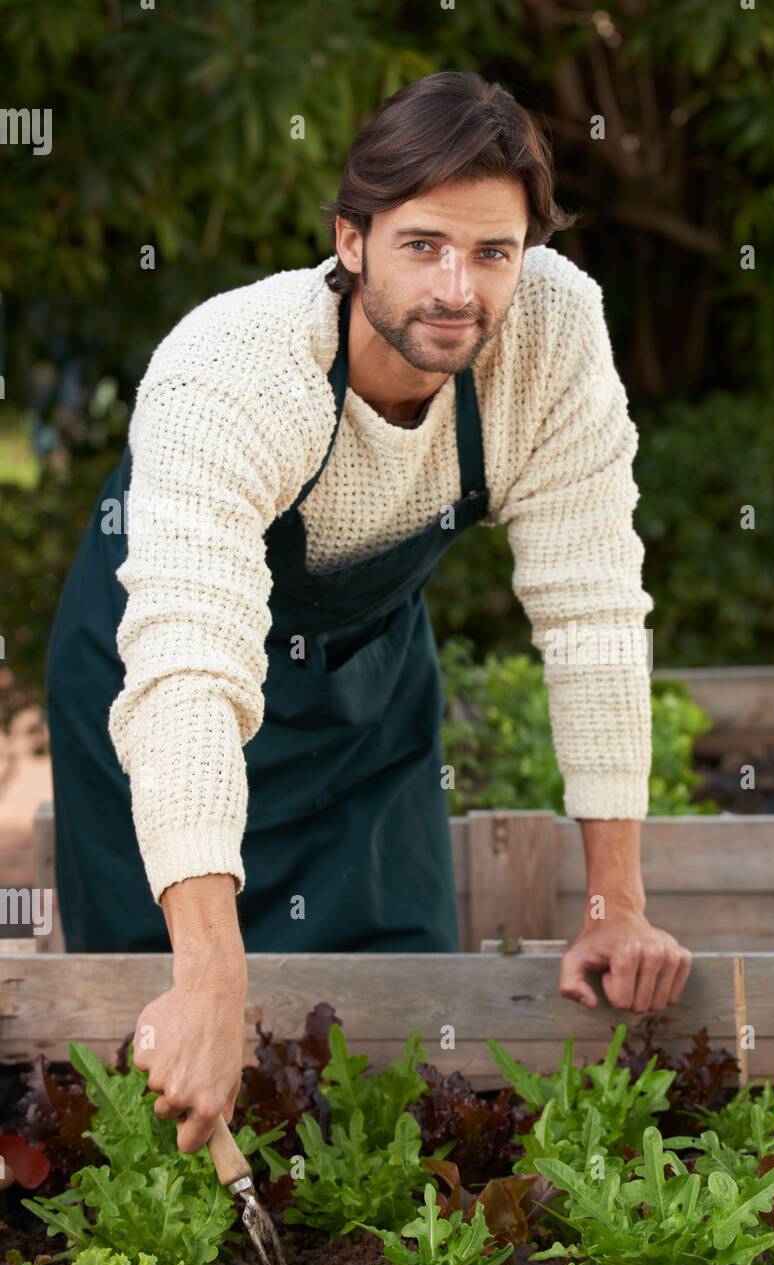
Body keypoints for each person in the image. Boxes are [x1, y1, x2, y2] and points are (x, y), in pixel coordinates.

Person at [44, 71, 691, 1153]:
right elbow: (189, 675)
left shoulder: (555, 330)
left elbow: (593, 616)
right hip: (157, 694)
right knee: (156, 1063)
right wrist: (207, 978)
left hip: (365, 696)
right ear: (351, 240)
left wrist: (612, 905)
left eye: (495, 253)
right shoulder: (230, 371)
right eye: (424, 245)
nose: (461, 289)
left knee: (393, 1042)